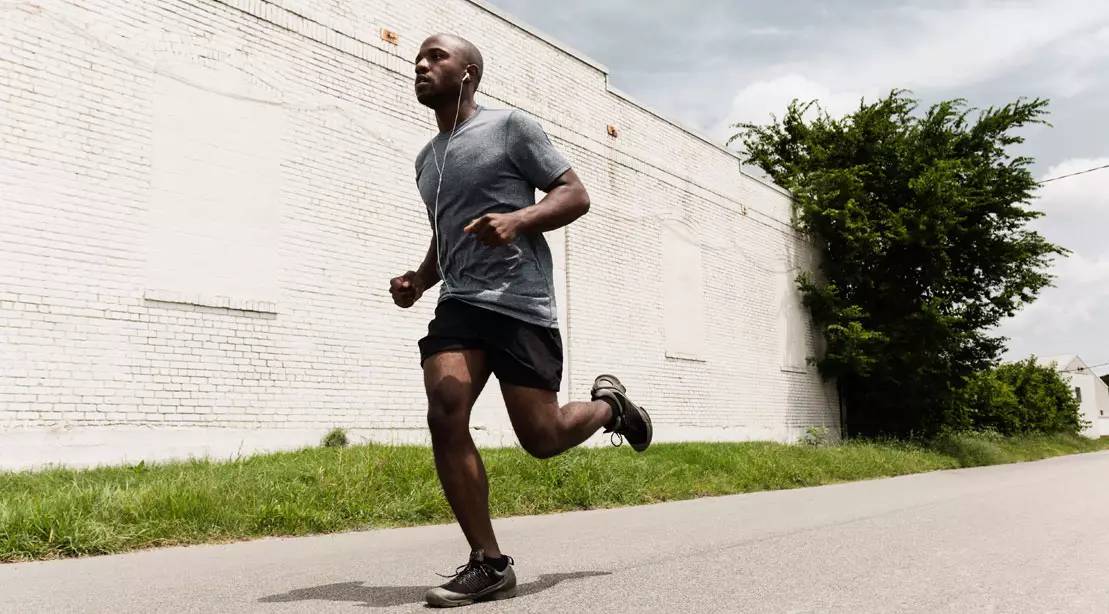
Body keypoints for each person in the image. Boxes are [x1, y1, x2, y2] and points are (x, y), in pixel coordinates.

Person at [389, 33, 653, 608]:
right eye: (419, 57)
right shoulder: (425, 159)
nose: (421, 63)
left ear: (469, 73)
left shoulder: (511, 128)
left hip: (520, 303)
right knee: (445, 411)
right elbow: (446, 234)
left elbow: (575, 195)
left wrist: (518, 220)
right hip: (459, 303)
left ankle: (612, 406)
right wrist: (420, 279)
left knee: (543, 437)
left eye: (437, 56)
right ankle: (489, 562)